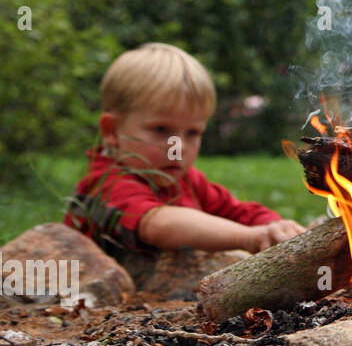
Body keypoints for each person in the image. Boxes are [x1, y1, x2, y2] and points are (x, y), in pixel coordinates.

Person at [65, 43, 306, 254]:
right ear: (111, 131)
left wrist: (274, 227)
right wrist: (250, 237)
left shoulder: (187, 180)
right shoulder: (106, 183)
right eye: (160, 129)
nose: (177, 148)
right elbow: (157, 224)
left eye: (192, 133)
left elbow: (238, 211)